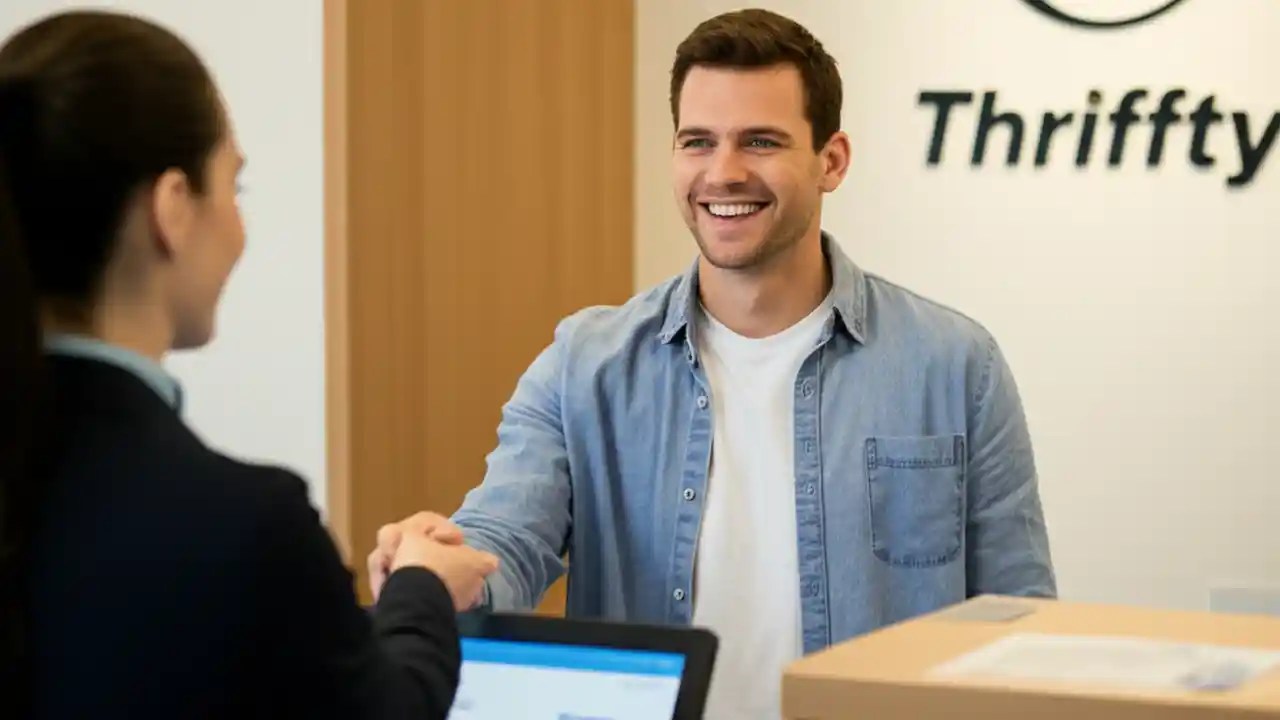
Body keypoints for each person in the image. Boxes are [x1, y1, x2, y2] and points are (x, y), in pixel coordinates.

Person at [371, 7, 1056, 719]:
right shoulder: (585, 367)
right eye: (698, 141)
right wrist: (438, 565)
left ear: (832, 160)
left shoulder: (953, 366)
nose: (723, 173)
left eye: (760, 141)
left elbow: (1020, 619)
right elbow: (505, 540)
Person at [0, 10, 498, 719]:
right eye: (234, 186)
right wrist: (422, 590)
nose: (238, 226)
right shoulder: (243, 529)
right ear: (172, 209)